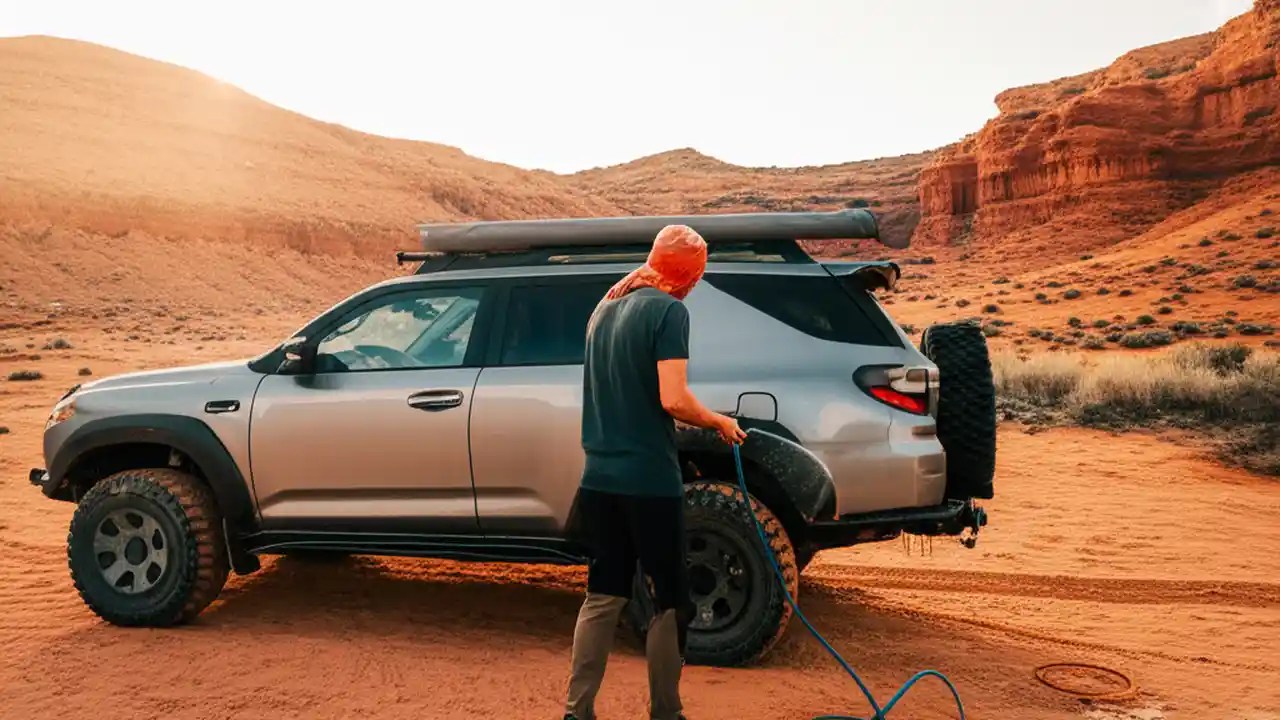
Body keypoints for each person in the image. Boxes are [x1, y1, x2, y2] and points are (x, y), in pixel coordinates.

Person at [563, 224, 747, 720]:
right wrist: (718, 421)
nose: (695, 284)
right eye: (696, 275)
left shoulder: (604, 308)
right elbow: (673, 398)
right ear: (686, 272)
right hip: (648, 481)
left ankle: (577, 711)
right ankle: (666, 712)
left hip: (599, 479)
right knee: (670, 600)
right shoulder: (668, 312)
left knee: (603, 595)